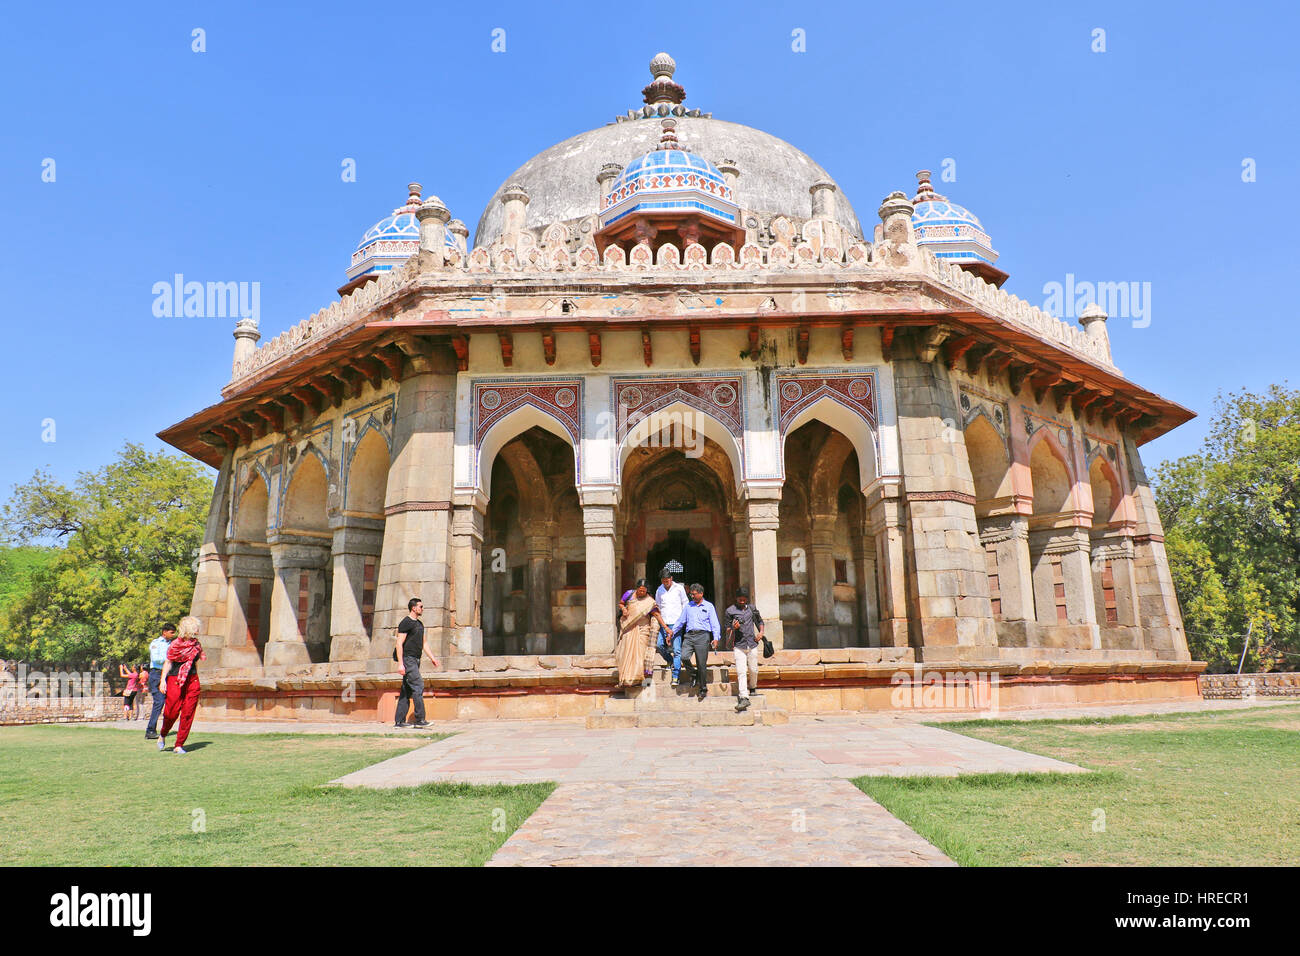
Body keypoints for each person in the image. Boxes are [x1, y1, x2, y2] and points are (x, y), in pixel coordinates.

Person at [157, 616, 206, 755]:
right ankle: (163, 733)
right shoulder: (175, 645)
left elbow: (195, 663)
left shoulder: (196, 645)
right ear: (188, 628)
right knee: (172, 711)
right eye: (195, 626)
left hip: (192, 679)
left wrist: (196, 678)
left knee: (188, 712)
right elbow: (168, 662)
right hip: (175, 679)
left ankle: (179, 744)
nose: (198, 629)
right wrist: (163, 680)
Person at [394, 597, 440, 728]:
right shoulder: (405, 622)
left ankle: (399, 721)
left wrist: (432, 658)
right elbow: (399, 643)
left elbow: (424, 643)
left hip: (416, 659)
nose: (422, 609)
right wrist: (400, 664)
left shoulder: (419, 624)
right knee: (418, 685)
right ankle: (420, 720)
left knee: (407, 690)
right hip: (408, 659)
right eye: (421, 606)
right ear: (414, 608)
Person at [671, 583, 721, 701]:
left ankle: (703, 689)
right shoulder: (688, 606)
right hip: (689, 636)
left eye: (694, 594)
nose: (692, 596)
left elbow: (715, 624)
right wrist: (672, 633)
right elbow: (680, 621)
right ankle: (693, 674)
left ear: (701, 594)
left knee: (701, 664)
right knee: (684, 656)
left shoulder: (709, 606)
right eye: (691, 594)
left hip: (703, 636)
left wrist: (716, 638)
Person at [616, 579, 666, 690]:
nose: (641, 593)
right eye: (640, 590)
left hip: (643, 629)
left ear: (647, 591)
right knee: (627, 653)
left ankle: (641, 679)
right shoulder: (629, 594)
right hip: (629, 628)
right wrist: (624, 609)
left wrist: (666, 628)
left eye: (644, 591)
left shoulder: (649, 601)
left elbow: (656, 614)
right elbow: (621, 603)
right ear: (636, 588)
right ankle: (627, 679)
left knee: (641, 654)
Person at [724, 587, 765, 713]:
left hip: (752, 644)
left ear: (747, 599)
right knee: (741, 671)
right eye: (739, 599)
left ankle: (752, 687)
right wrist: (733, 627)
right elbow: (727, 629)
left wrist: (761, 632)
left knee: (753, 669)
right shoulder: (730, 611)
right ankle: (744, 697)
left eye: (744, 600)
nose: (742, 602)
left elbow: (759, 621)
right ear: (736, 599)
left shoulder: (752, 609)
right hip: (738, 645)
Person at [654, 564, 689, 687]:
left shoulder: (679, 588)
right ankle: (670, 660)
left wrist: (682, 621)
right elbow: (657, 606)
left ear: (671, 578)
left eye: (667, 581)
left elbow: (685, 604)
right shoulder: (659, 590)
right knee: (659, 645)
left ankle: (676, 677)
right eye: (663, 581)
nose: (666, 583)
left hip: (676, 623)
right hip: (664, 623)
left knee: (677, 650)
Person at [145, 624, 176, 740]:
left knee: (170, 701)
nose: (173, 635)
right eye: (171, 632)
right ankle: (150, 730)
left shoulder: (173, 644)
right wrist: (170, 659)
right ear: (164, 632)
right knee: (159, 701)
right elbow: (156, 659)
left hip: (169, 674)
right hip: (157, 674)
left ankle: (162, 728)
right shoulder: (155, 643)